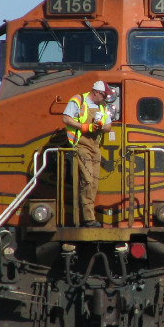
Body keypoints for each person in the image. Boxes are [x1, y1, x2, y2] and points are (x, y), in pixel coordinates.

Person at [63, 80, 112, 228]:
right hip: (80, 145)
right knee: (87, 181)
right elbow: (66, 118)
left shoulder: (102, 106)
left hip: (95, 147)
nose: (105, 99)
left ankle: (88, 217)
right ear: (96, 92)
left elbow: (109, 126)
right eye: (104, 95)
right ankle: (88, 218)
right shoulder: (78, 100)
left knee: (94, 183)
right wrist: (84, 127)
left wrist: (100, 127)